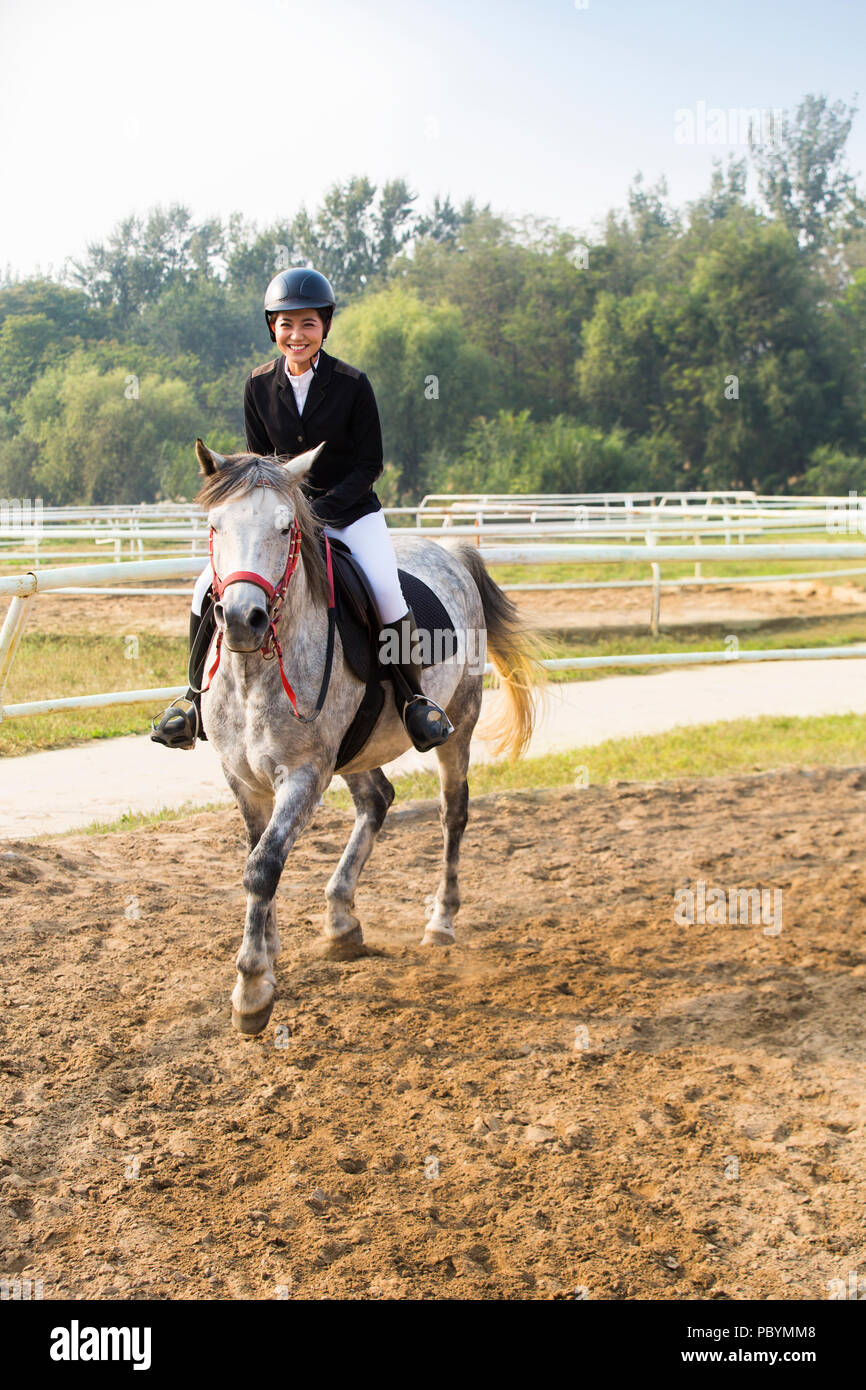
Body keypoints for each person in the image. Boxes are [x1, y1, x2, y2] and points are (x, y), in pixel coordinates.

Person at [151, 267, 454, 753]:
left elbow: (369, 463)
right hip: (280, 518)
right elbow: (259, 468)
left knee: (385, 589)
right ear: (273, 327)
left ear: (324, 327)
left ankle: (414, 700)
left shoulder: (354, 384)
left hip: (350, 513)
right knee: (205, 587)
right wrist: (280, 512)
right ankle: (191, 702)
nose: (296, 335)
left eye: (307, 324)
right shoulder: (257, 386)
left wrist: (323, 511)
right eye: (286, 324)